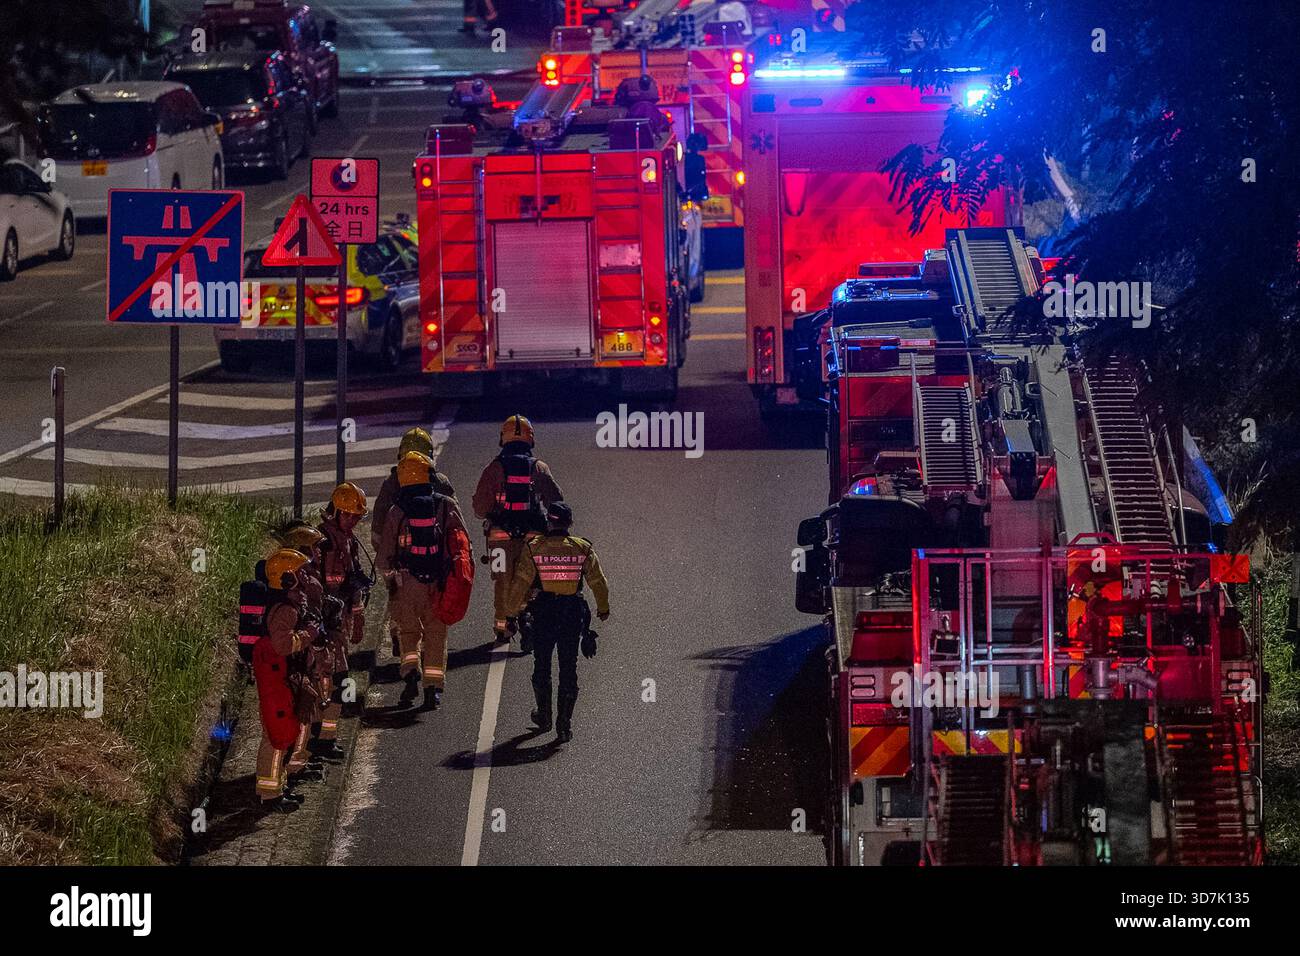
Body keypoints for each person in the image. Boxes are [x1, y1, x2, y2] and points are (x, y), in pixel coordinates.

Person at [505, 502, 610, 743]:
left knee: (542, 665)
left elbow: (520, 584)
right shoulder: (582, 549)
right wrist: (603, 608)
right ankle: (564, 725)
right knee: (568, 668)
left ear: (549, 522)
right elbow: (598, 582)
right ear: (569, 524)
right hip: (571, 613)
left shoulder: (535, 548)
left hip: (544, 613)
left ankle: (544, 716)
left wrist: (510, 615)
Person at [377, 451, 473, 710]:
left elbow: (385, 557)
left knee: (409, 633)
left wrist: (393, 584)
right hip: (438, 583)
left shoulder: (397, 511)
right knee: (436, 634)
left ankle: (410, 673)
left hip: (406, 583)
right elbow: (462, 542)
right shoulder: (445, 505)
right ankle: (433, 689)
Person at [472, 414, 564, 645]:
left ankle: (503, 628)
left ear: (502, 439)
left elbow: (479, 509)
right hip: (532, 537)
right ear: (530, 440)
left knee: (502, 580)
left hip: (498, 538)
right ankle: (526, 614)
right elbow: (557, 501)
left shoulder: (493, 469)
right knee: (531, 578)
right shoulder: (538, 468)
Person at [373, 428, 456, 657]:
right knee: (432, 608)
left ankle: (399, 635)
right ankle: (429, 656)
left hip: (400, 562)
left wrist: (385, 559)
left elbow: (378, 525)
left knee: (396, 596)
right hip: (434, 560)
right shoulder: (441, 482)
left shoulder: (391, 483)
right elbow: (454, 523)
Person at [253, 548, 320, 810]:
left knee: (282, 733)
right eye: (299, 574)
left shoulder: (286, 605)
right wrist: (308, 635)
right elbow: (282, 645)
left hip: (280, 678)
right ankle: (270, 795)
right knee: (276, 736)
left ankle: (278, 787)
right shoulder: (284, 611)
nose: (305, 579)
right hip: (275, 681)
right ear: (286, 579)